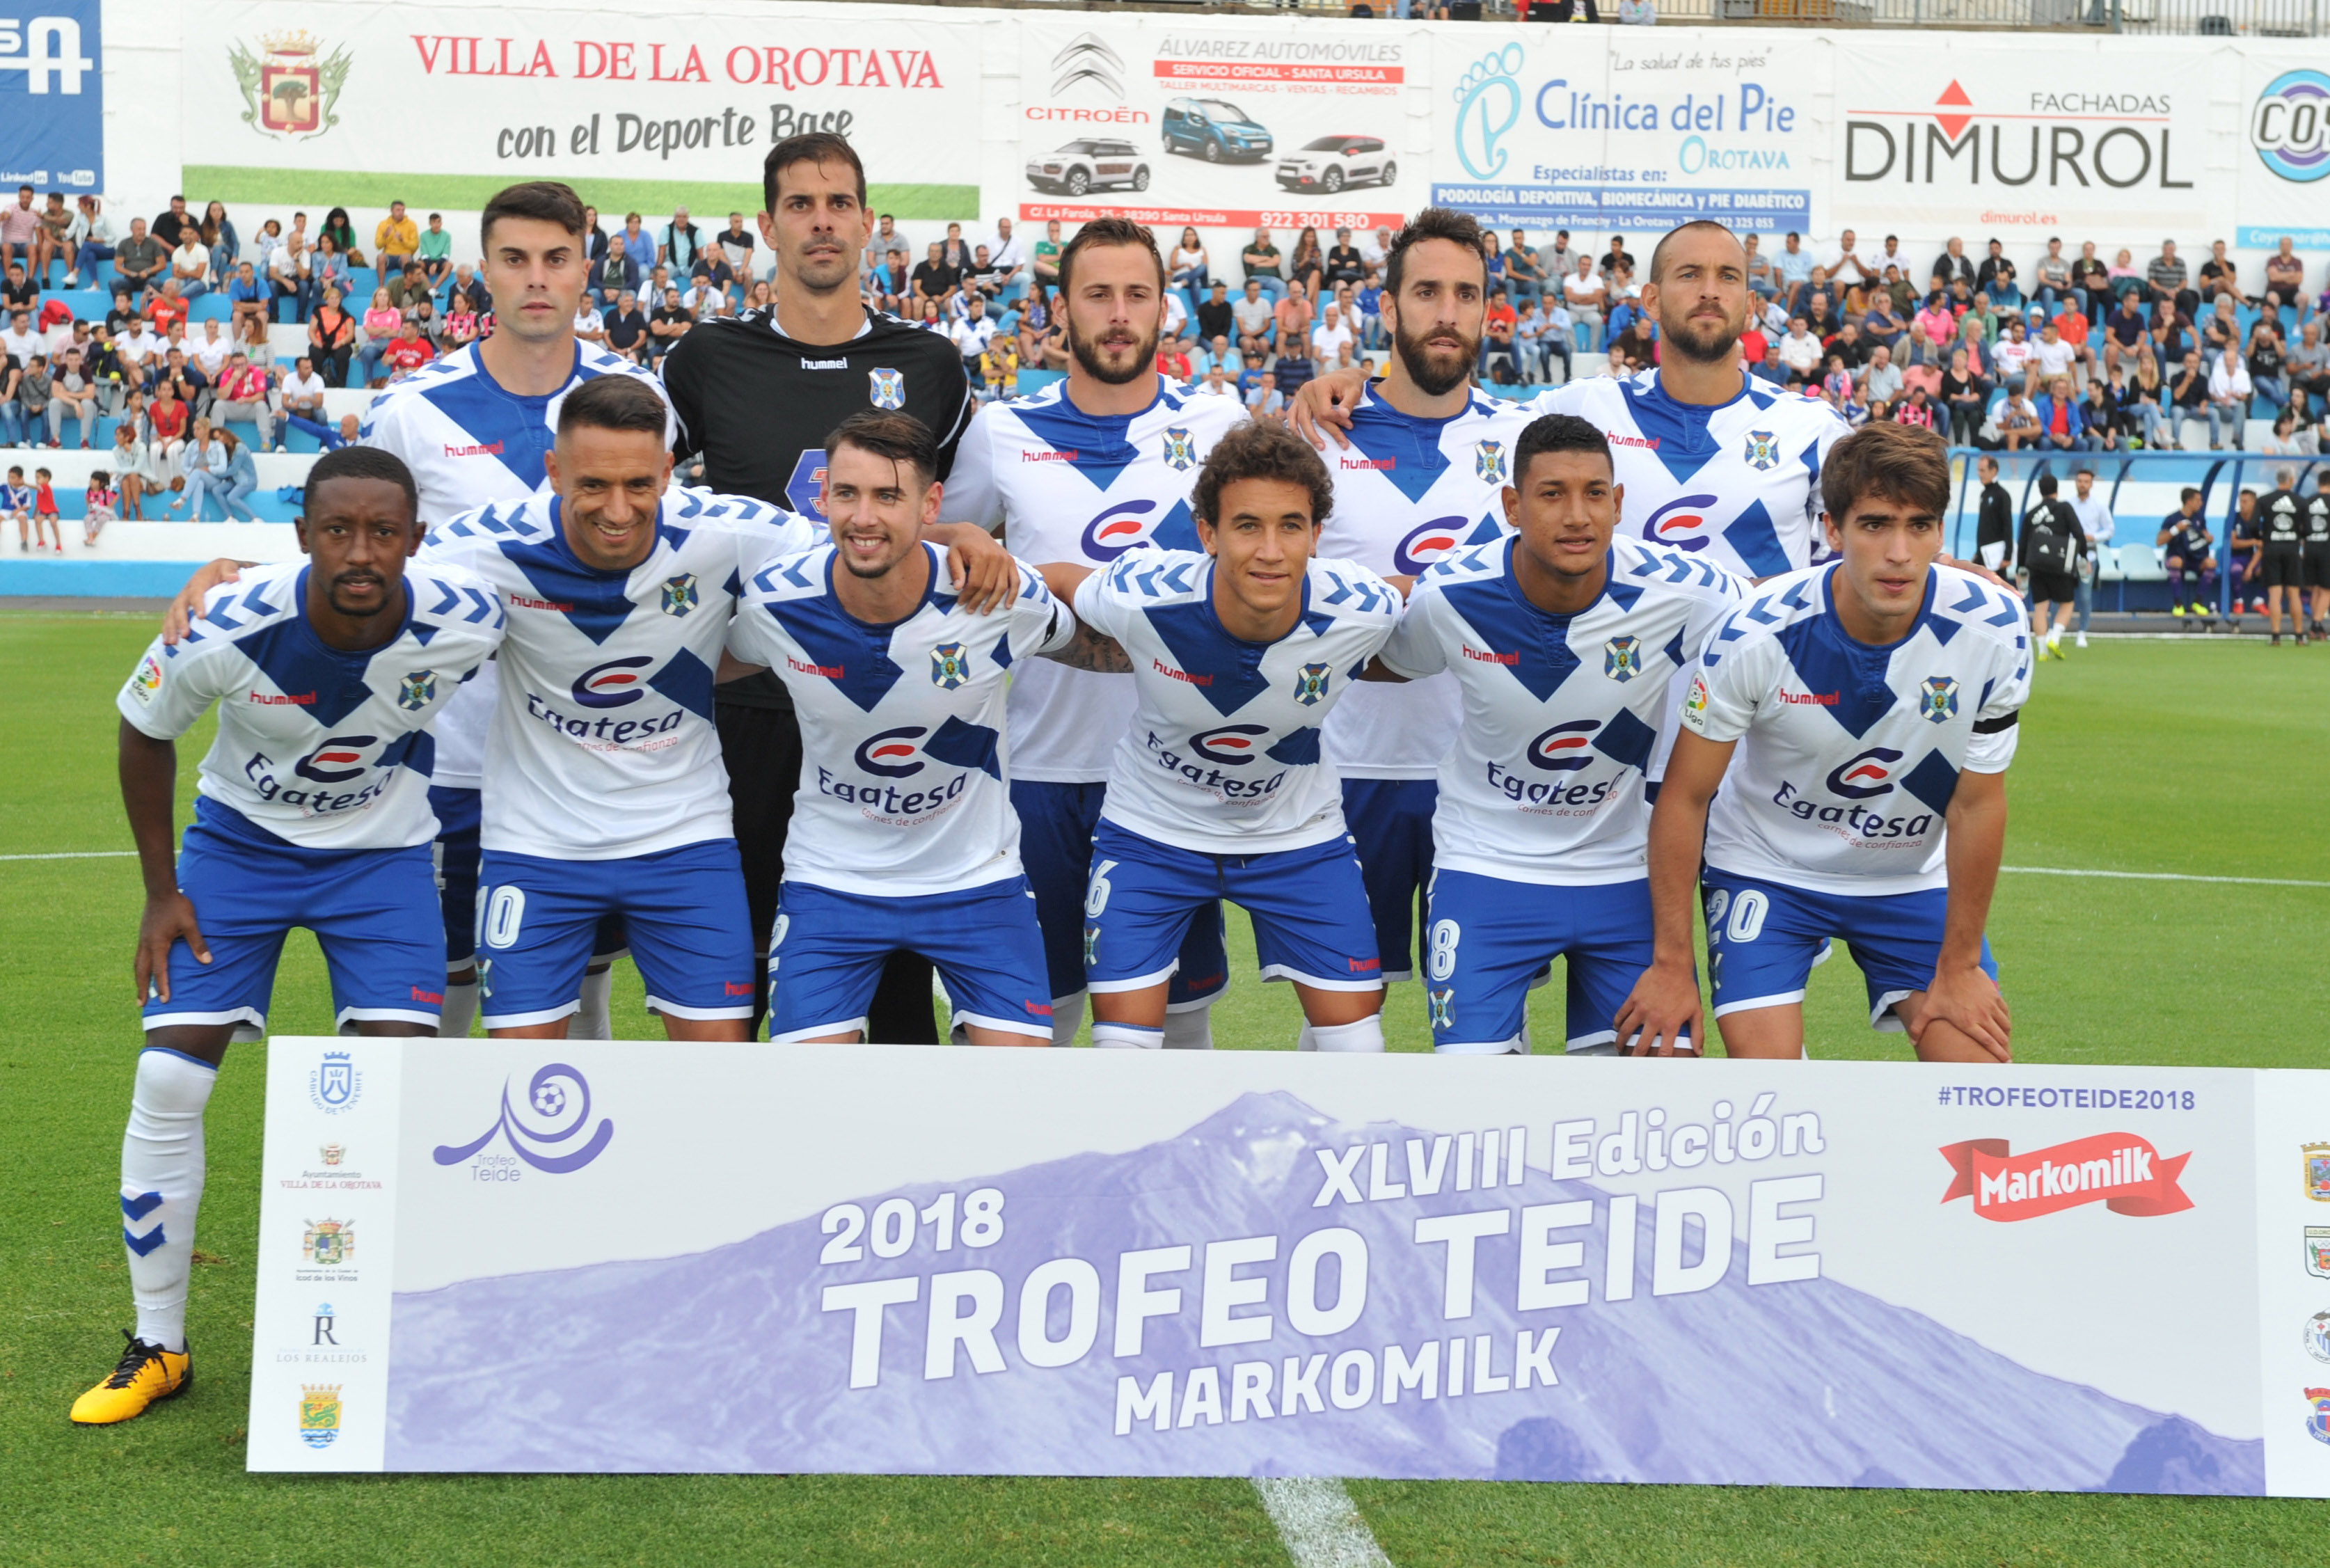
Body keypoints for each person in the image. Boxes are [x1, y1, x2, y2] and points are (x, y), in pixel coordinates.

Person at [71, 447, 504, 1427]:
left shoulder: (466, 615)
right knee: (170, 1078)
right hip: (238, 850)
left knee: (398, 1089)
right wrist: (159, 891)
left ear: (415, 540)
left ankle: (390, 1327)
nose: (361, 553)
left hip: (386, 857)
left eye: (383, 533)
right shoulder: (226, 624)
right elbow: (144, 733)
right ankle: (158, 1344)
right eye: (338, 531)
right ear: (302, 536)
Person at [660, 133, 993, 1044]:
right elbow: (635, 511)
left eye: (839, 202)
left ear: (868, 222)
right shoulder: (705, 360)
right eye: (800, 204)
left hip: (888, 718)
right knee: (730, 996)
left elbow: (960, 530)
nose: (821, 220)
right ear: (768, 226)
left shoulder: (930, 364)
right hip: (746, 709)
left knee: (889, 1007)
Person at [1615, 422, 2027, 1062]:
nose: (1899, 552)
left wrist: (1963, 963)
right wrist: (1673, 964)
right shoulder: (1755, 633)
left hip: (1908, 879)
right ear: (1832, 530)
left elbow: (1976, 804)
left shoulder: (1995, 631)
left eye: (1920, 526)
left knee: (1978, 1094)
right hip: (1768, 867)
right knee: (1770, 1096)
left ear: (1942, 533)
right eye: (1875, 524)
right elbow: (1687, 796)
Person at [940, 216, 1246, 1049]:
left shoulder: (1223, 425)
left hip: (1172, 779)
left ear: (1164, 309)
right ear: (1061, 310)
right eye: (1098, 294)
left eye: (1136, 295)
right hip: (1036, 772)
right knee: (1029, 1023)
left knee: (1175, 1027)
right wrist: (961, 541)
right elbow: (935, 550)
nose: (1118, 313)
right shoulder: (1000, 432)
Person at [1370, 413, 1739, 1054]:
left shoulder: (1684, 591)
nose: (1577, 515)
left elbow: (1788, 610)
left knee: (1654, 1098)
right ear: (1512, 505)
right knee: (1475, 1098)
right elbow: (1381, 659)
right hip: (1486, 865)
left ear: (1619, 503)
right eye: (1552, 494)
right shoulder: (1451, 597)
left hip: (1623, 871)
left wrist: (1944, 577)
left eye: (1595, 493)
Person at [1038, 421, 1400, 1052]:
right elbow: (1065, 581)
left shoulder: (1364, 607)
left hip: (1296, 835)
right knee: (1122, 1051)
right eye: (1247, 525)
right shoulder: (1142, 593)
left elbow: (1450, 604)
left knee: (1359, 1048)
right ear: (1208, 533)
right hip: (1151, 834)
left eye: (1291, 525)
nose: (1270, 550)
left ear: (1318, 535)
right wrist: (966, 543)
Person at [722, 412, 1064, 1043]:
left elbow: (1088, 625)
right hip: (832, 880)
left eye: (888, 495)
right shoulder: (774, 602)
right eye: (847, 494)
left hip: (977, 881)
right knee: (807, 1100)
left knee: (1020, 1094)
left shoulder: (997, 597)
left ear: (930, 502)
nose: (864, 517)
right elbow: (693, 659)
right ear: (821, 496)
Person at [1297, 219, 1852, 585]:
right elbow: (1431, 404)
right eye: (1690, 275)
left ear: (1752, 305)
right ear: (1651, 301)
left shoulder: (1813, 428)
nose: (1710, 291)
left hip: (1758, 750)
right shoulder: (1579, 414)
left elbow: (1864, 563)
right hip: (1613, 746)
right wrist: (1348, 381)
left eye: (1727, 277)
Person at [2018, 472, 2086, 659]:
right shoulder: (2064, 508)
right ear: (2057, 489)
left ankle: (2042, 651)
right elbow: (2078, 533)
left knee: (2040, 607)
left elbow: (2023, 543)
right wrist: (2083, 557)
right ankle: (2054, 639)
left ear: (2040, 490)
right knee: (2067, 604)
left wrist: (2020, 569)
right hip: (2060, 563)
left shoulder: (2031, 514)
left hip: (2036, 565)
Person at [2254, 467, 2308, 642]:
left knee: (2275, 594)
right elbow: (2307, 528)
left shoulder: (2264, 500)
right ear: (2292, 479)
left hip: (2271, 549)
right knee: (2294, 593)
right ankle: (2299, 635)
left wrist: (2263, 537)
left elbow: (2253, 525)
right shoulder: (2300, 502)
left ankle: (2276, 635)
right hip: (2292, 550)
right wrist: (2297, 537)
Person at [2066, 466, 2113, 647]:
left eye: (2086, 482)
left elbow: (2110, 530)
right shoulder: (2067, 504)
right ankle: (2056, 630)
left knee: (2085, 596)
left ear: (2091, 484)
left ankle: (2082, 632)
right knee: (2062, 594)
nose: (2082, 485)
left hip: (2089, 557)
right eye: (2079, 481)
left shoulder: (2099, 505)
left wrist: (2094, 537)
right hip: (2069, 556)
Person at [2157, 489, 2219, 621]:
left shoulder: (2199, 518)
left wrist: (2209, 538)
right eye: (2198, 500)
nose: (2201, 503)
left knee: (2211, 563)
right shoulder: (2172, 519)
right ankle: (2178, 604)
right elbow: (2159, 541)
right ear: (2189, 501)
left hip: (2196, 559)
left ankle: (2198, 602)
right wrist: (2175, 530)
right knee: (2176, 562)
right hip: (2178, 556)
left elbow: (2204, 534)